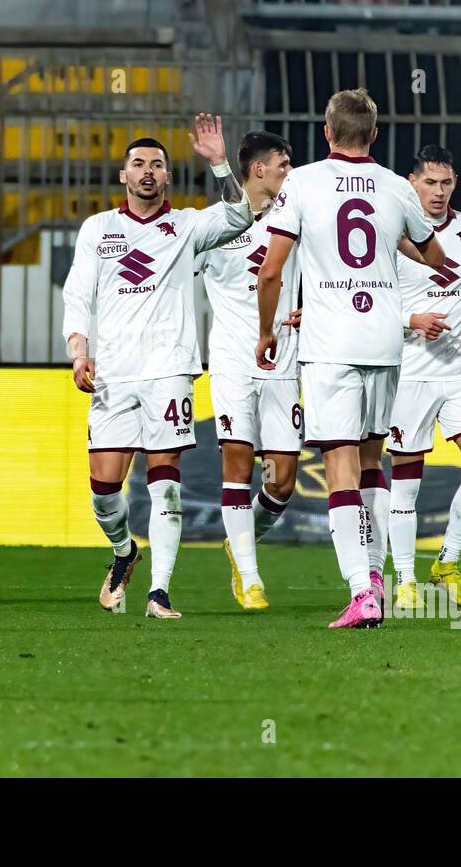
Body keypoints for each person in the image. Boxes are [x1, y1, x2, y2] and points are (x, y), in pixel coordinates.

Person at [255, 88, 446, 629]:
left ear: (327, 132)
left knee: (338, 463)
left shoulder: (302, 182)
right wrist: (392, 243)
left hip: (330, 343)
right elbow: (435, 256)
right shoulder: (395, 186)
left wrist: (266, 331)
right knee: (370, 461)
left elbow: (271, 271)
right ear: (375, 134)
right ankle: (377, 577)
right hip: (383, 339)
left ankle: (362, 591)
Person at [62, 114, 253, 619]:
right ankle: (125, 551)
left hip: (169, 368)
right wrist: (79, 352)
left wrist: (219, 163)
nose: (147, 171)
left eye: (157, 164)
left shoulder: (187, 225)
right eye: (138, 163)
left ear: (167, 175)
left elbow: (240, 216)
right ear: (123, 175)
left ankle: (159, 593)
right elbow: (77, 295)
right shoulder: (98, 229)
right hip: (113, 373)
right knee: (104, 490)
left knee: (165, 481)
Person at [385, 145, 461, 610]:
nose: (438, 191)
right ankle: (405, 580)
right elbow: (369, 300)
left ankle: (447, 561)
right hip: (409, 373)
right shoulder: (390, 234)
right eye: (430, 182)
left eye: (446, 182)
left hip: (460, 372)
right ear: (411, 183)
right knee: (406, 483)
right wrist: (411, 320)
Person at [195, 131, 298, 611]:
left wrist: (313, 308)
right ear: (258, 169)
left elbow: (325, 275)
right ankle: (250, 577)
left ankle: (239, 542)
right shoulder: (213, 227)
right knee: (237, 462)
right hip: (233, 362)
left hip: (283, 361)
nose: (289, 173)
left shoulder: (296, 220)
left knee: (281, 481)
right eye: (283, 164)